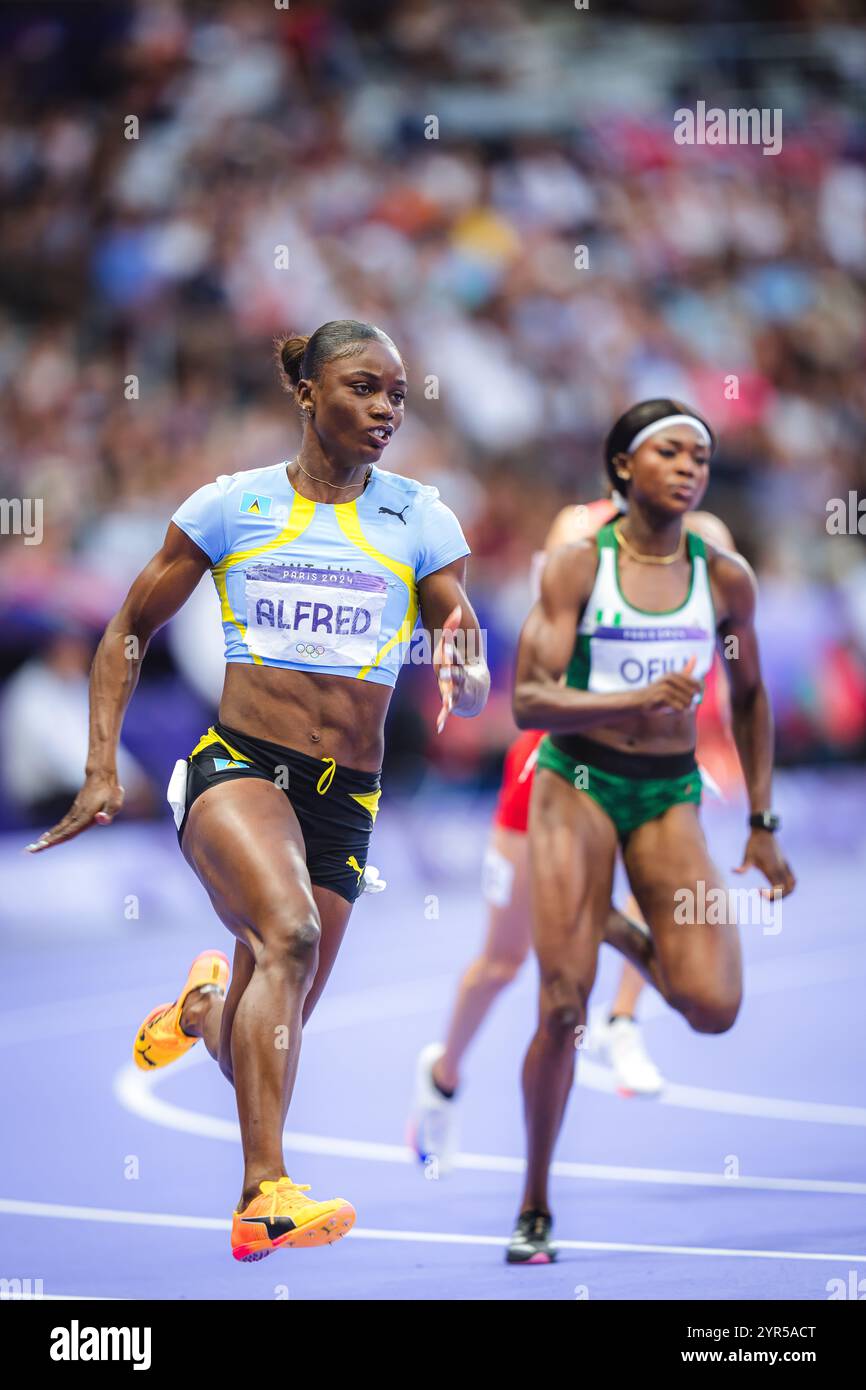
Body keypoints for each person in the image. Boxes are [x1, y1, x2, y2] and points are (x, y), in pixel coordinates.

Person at [27, 319, 490, 1262]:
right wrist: (101, 764)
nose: (386, 409)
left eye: (398, 394)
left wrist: (463, 662)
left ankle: (199, 1008)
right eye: (364, 387)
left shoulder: (421, 517)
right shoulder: (230, 506)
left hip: (347, 797)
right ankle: (262, 1195)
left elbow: (458, 621)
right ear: (308, 391)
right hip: (238, 770)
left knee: (254, 1048)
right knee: (291, 934)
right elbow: (126, 628)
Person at [505, 398, 795, 1263]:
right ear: (624, 468)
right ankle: (534, 1204)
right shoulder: (575, 566)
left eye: (700, 457)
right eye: (669, 452)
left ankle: (606, 922)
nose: (690, 467)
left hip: (668, 791)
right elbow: (528, 700)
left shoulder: (725, 574)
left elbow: (748, 696)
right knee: (563, 1006)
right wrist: (636, 697)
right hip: (578, 783)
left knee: (712, 1005)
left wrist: (763, 822)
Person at [408, 498, 737, 1171]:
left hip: (639, 761)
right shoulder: (577, 532)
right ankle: (441, 1077)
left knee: (659, 860)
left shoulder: (689, 541)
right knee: (504, 960)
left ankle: (620, 1022)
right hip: (551, 762)